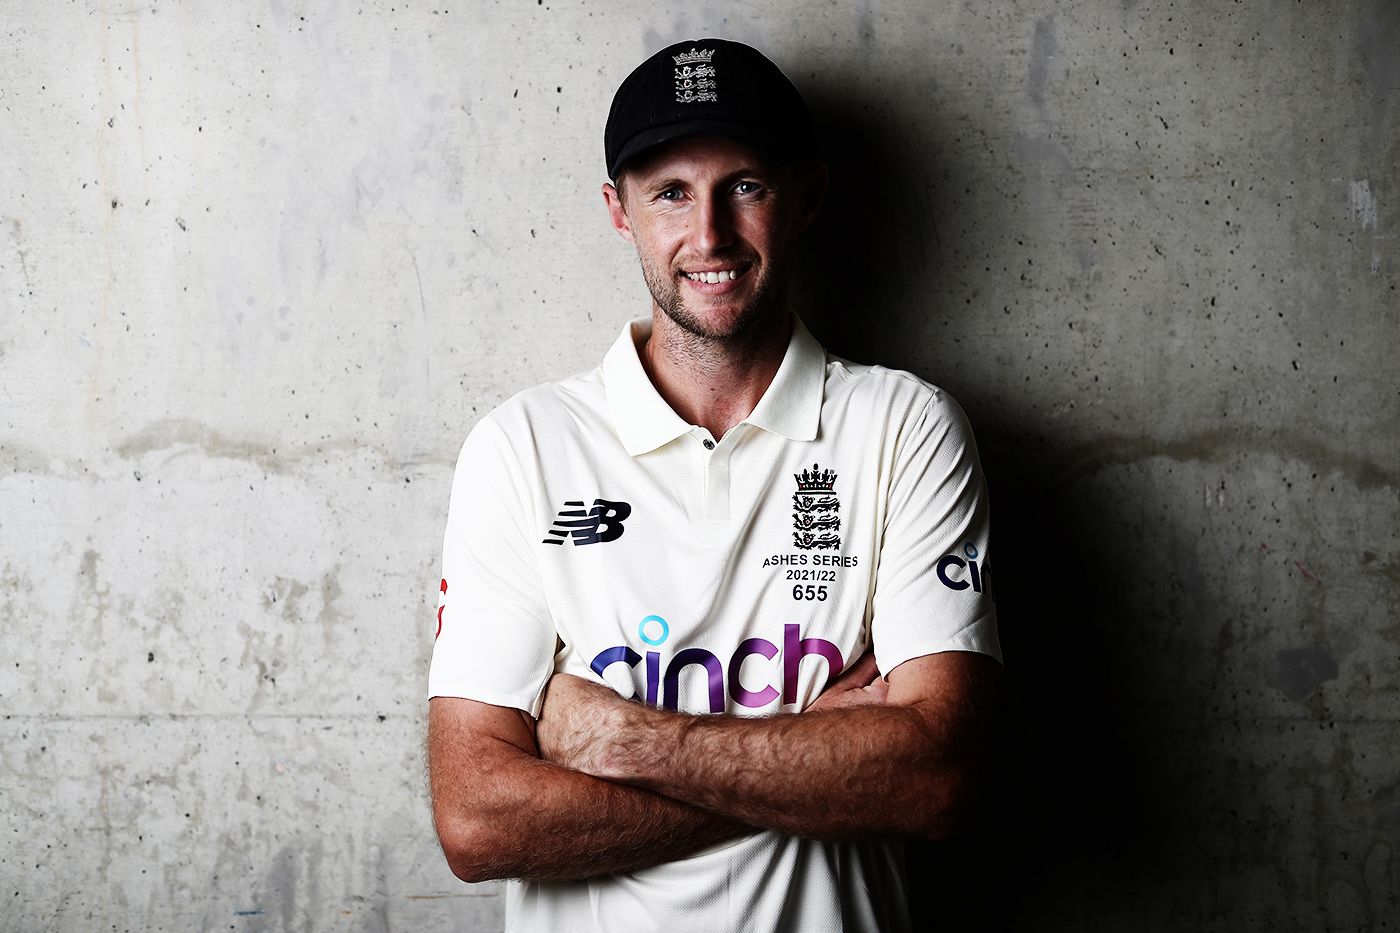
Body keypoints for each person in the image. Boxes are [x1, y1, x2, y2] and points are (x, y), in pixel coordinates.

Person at [427, 37, 1001, 932]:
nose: (709, 236)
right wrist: (821, 765)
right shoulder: (522, 447)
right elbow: (477, 821)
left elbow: (938, 780)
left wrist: (629, 740)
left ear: (806, 195)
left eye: (745, 186)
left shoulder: (904, 427)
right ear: (619, 211)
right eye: (670, 193)